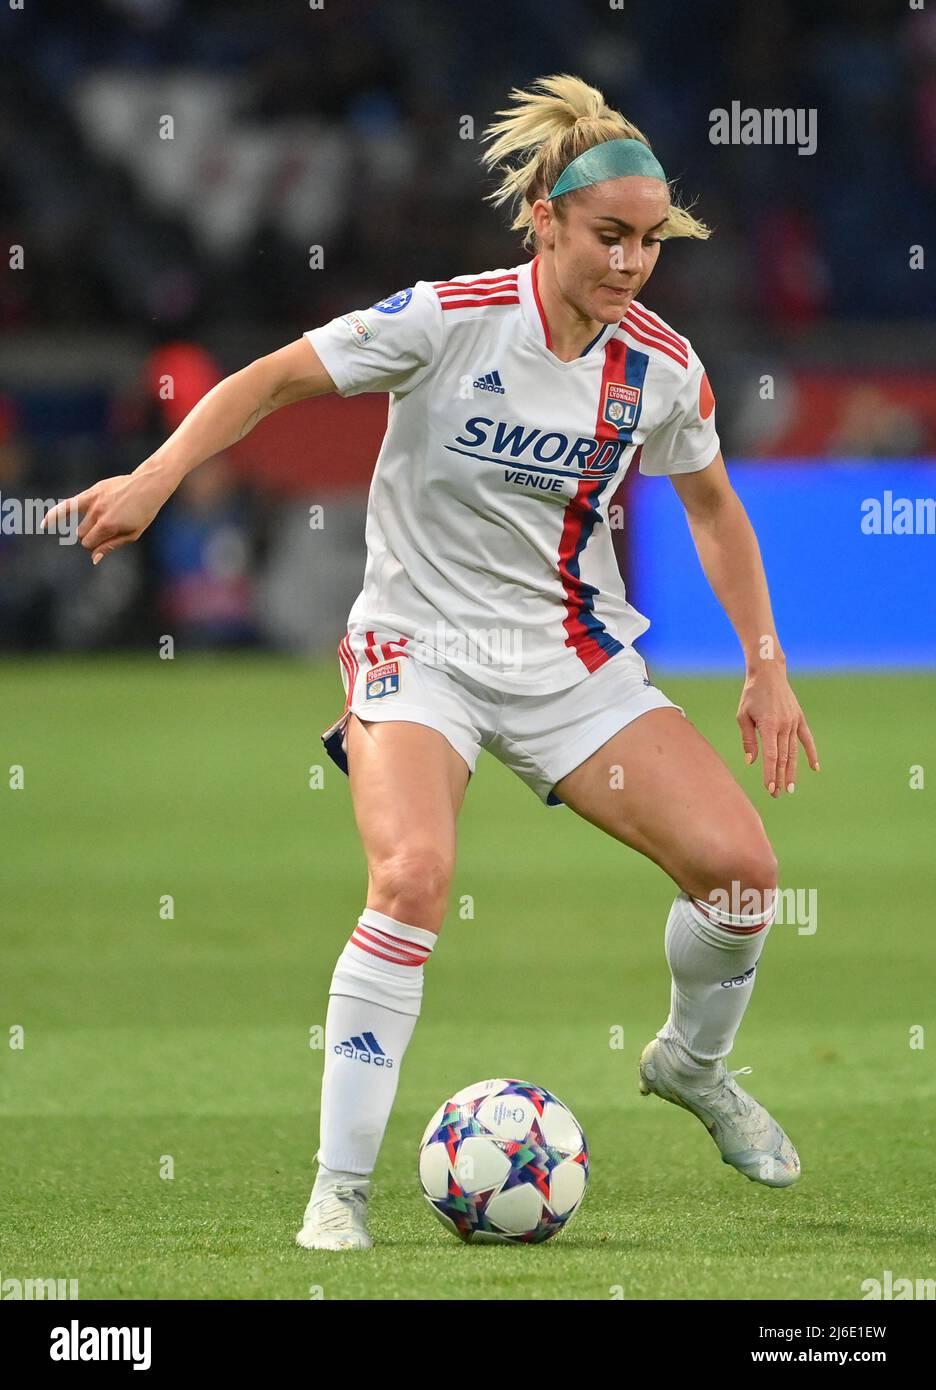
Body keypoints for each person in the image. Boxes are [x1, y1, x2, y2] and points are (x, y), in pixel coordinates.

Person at [43, 74, 820, 1252]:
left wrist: (765, 662)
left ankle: (692, 1065)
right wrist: (155, 477)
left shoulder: (662, 367)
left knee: (745, 880)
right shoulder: (444, 318)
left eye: (651, 243)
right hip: (420, 649)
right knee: (411, 876)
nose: (630, 264)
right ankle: (338, 1189)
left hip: (568, 662)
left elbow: (713, 508)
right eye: (610, 236)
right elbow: (268, 379)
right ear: (546, 223)